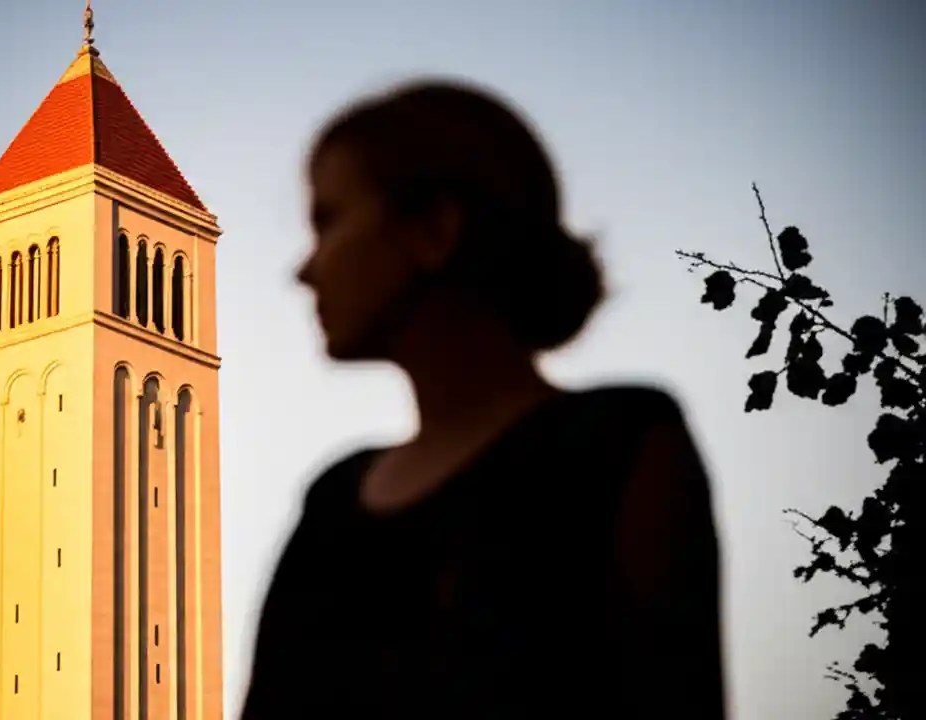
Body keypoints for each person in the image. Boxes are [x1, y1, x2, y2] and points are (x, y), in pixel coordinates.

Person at [239, 80, 726, 719]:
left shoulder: (617, 445)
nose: (305, 270)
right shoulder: (332, 499)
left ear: (434, 230)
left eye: (329, 221)